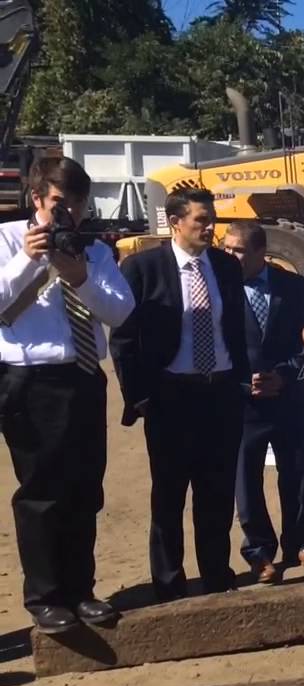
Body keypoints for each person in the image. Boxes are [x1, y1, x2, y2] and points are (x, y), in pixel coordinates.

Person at [0, 157, 134, 633]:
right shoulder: (7, 240)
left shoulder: (94, 252)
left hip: (82, 376)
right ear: (37, 199)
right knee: (41, 491)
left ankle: (81, 590)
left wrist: (78, 275)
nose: (69, 212)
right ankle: (45, 596)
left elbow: (120, 312)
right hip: (30, 379)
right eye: (60, 201)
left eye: (77, 201)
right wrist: (27, 260)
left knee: (84, 488)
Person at [110, 187, 250, 602]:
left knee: (217, 493)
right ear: (175, 223)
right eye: (200, 221)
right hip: (171, 398)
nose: (209, 228)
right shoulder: (143, 268)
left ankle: (217, 577)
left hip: (220, 395)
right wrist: (139, 395)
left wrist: (241, 380)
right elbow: (123, 339)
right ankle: (169, 584)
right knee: (169, 495)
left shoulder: (225, 267)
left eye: (212, 220)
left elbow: (236, 329)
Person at [221, 222, 304, 585]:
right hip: (243, 401)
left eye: (237, 250)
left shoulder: (292, 287)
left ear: (259, 252)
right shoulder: (221, 287)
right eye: (227, 248)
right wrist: (241, 380)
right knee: (246, 479)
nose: (230, 256)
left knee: (296, 474)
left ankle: (298, 542)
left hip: (288, 397)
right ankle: (259, 552)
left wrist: (284, 375)